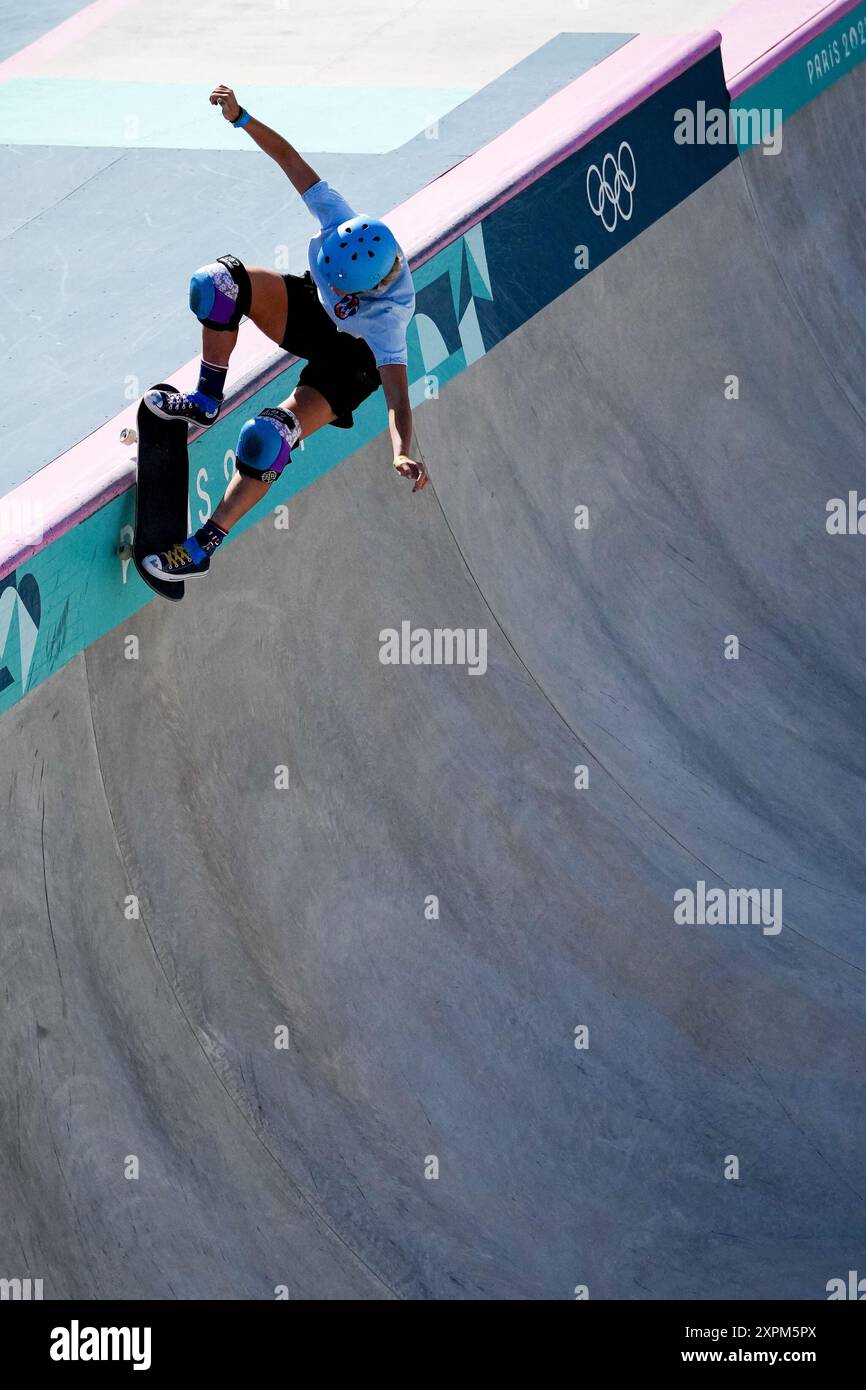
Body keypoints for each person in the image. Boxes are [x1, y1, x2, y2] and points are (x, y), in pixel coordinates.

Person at [143, 84, 427, 583]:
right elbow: (288, 157)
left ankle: (203, 546)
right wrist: (241, 116)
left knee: (267, 438)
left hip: (352, 364)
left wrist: (401, 449)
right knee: (217, 284)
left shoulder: (387, 321)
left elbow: (398, 400)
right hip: (318, 317)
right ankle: (206, 401)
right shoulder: (345, 222)